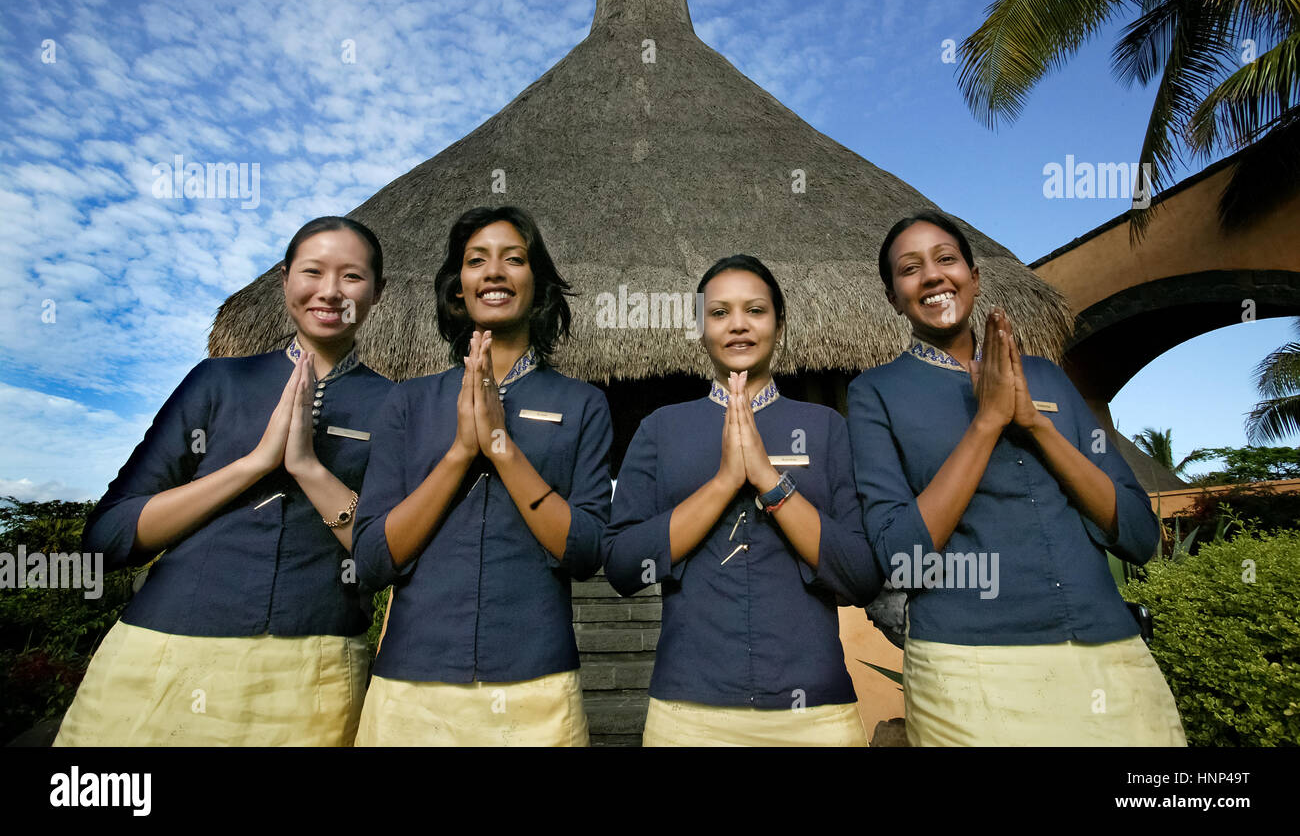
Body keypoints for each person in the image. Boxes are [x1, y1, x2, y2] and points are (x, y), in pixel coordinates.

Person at [848, 211, 1186, 746]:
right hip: (966, 668)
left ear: (974, 277)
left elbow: (1141, 537)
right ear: (893, 296)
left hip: (1108, 655)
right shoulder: (876, 393)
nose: (932, 276)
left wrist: (1033, 423)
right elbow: (900, 558)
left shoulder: (1048, 377)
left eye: (946, 259)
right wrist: (986, 424)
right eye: (909, 269)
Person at [55, 216, 392, 746]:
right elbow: (109, 537)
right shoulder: (217, 380)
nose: (330, 291)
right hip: (161, 656)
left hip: (313, 674)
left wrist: (309, 467)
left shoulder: (398, 407)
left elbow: (387, 553)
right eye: (312, 271)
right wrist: (254, 463)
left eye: (351, 277)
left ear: (377, 292)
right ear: (284, 281)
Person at [351, 205, 612, 746]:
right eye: (476, 261)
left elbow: (586, 551)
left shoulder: (583, 404)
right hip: (409, 688)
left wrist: (501, 448)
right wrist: (460, 454)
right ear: (458, 287)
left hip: (537, 688)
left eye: (513, 259)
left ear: (535, 282)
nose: (494, 272)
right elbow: (373, 559)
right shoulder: (409, 402)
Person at [603, 255, 881, 746]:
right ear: (699, 326)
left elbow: (860, 577)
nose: (738, 325)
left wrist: (771, 483)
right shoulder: (662, 430)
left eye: (755, 310)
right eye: (719, 313)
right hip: (689, 712)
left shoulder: (825, 429)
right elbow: (625, 568)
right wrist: (724, 482)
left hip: (815, 712)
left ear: (780, 322)